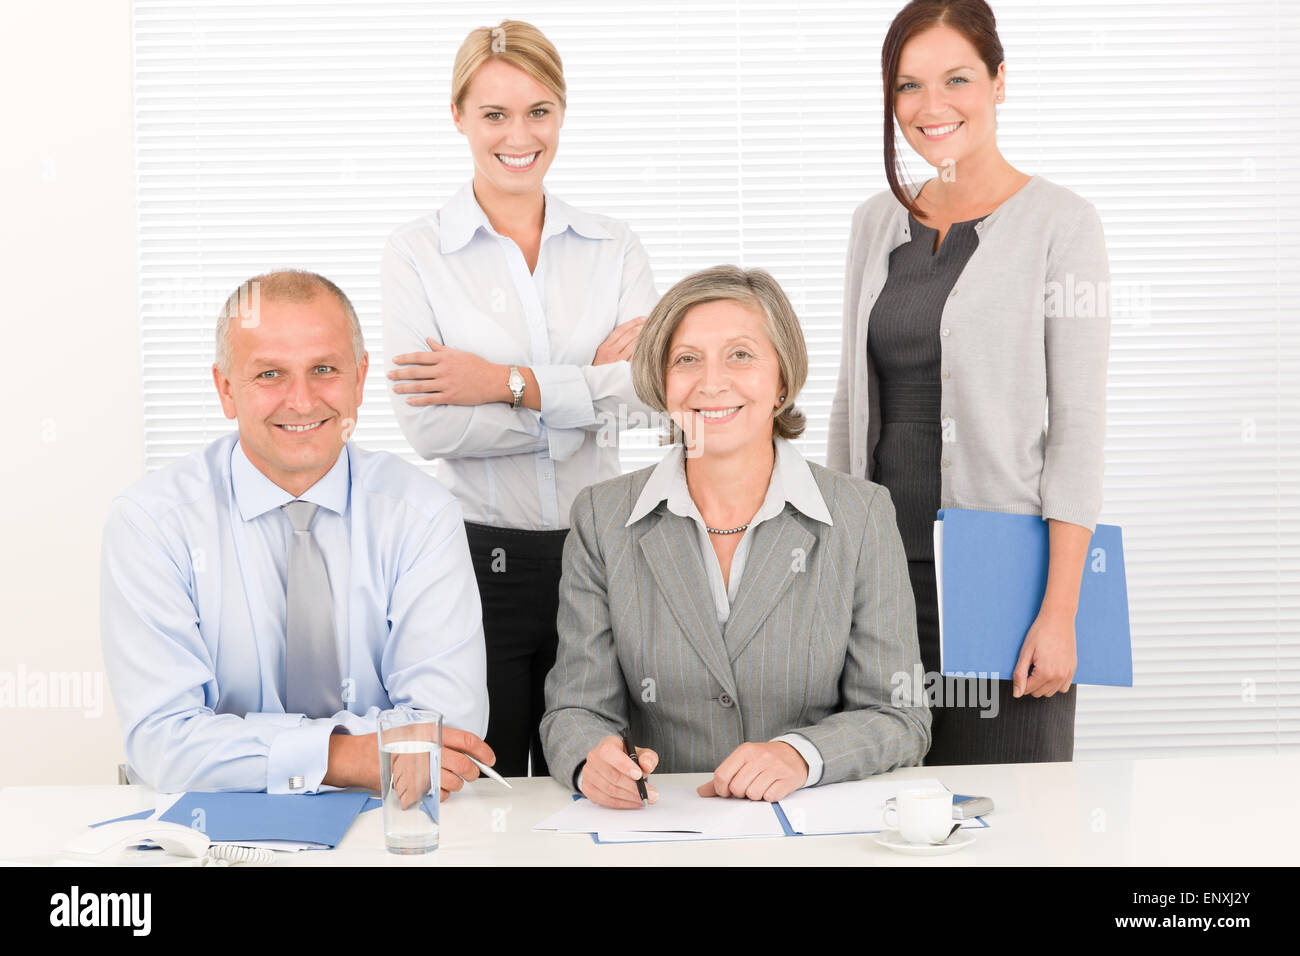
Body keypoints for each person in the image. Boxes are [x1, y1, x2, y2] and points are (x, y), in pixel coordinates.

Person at [827, 0, 1112, 764]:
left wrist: (1060, 612)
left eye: (956, 79)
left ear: (999, 81)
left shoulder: (1061, 223)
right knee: (880, 808)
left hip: (1002, 580)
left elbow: (1078, 428)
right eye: (908, 86)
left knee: (1008, 813)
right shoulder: (873, 223)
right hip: (878, 576)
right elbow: (850, 407)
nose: (931, 106)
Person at [541, 266, 930, 809]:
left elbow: (899, 714)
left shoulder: (860, 515)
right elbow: (575, 709)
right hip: (662, 828)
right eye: (686, 359)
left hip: (809, 827)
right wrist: (591, 759)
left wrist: (800, 755)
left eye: (741, 355)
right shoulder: (602, 518)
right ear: (661, 381)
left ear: (782, 381)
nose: (711, 381)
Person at [382, 20, 659, 778]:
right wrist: (581, 406)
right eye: (494, 114)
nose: (519, 135)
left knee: (608, 774)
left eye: (538, 111)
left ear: (562, 114)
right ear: (459, 117)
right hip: (480, 562)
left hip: (604, 555)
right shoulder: (417, 253)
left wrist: (507, 384)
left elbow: (650, 403)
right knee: (490, 778)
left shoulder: (614, 246)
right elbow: (431, 428)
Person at [101, 270, 493, 799]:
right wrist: (346, 757)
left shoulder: (422, 515)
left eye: (324, 369)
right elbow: (161, 741)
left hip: (388, 822)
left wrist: (250, 752)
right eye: (269, 375)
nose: (303, 401)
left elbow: (449, 725)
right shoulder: (150, 524)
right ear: (225, 389)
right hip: (209, 830)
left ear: (359, 378)